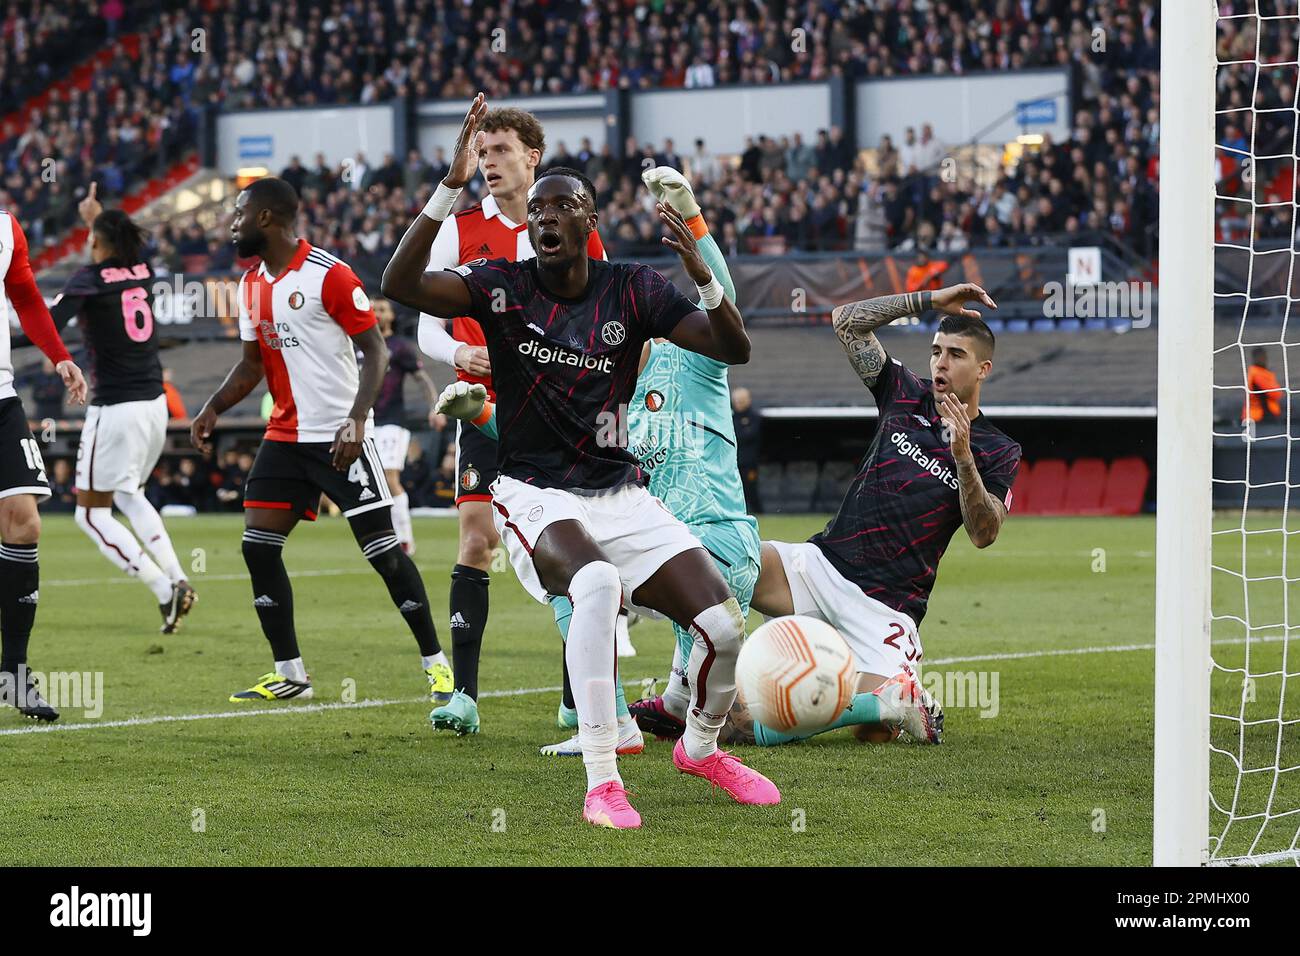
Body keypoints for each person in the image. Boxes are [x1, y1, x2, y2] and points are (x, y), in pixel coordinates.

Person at [384, 93, 780, 829]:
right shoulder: (500, 286)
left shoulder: (631, 288)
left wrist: (704, 278)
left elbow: (733, 349)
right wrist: (448, 185)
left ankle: (700, 748)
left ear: (587, 222)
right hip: (534, 491)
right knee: (595, 583)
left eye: (559, 207)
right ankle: (603, 780)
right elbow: (398, 286)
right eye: (535, 213)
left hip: (619, 492)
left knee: (723, 626)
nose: (542, 219)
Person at [190, 177, 452, 706]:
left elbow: (375, 352)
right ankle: (290, 672)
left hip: (340, 437)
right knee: (257, 547)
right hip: (285, 437)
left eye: (239, 213)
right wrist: (214, 407)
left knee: (384, 554)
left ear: (267, 218)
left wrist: (357, 420)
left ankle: (437, 665)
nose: (232, 223)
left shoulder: (328, 275)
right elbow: (250, 365)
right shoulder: (249, 285)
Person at [724, 284, 1021, 747]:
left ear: (983, 369)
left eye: (956, 355)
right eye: (936, 351)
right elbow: (846, 320)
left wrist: (964, 458)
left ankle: (887, 701)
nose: (941, 363)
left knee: (871, 733)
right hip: (823, 566)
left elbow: (985, 533)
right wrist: (928, 300)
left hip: (888, 607)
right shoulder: (903, 391)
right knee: (724, 566)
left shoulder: (998, 450)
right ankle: (685, 695)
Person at [414, 104, 624, 737]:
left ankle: (573, 697)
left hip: (560, 413)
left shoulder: (573, 227)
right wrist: (458, 352)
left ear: (533, 156)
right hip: (483, 408)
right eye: (482, 153)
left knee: (573, 547)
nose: (488, 163)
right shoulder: (459, 228)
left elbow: (604, 309)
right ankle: (466, 697)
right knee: (476, 537)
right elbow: (424, 318)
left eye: (500, 150)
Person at [51, 184, 196, 632]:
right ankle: (178, 576)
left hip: (115, 409)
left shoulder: (88, 279)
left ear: (95, 242)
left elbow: (49, 325)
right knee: (130, 494)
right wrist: (96, 219)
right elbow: (118, 249)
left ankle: (162, 589)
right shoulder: (143, 268)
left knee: (90, 514)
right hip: (154, 405)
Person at [0, 208, 88, 721]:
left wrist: (59, 355)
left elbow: (27, 298)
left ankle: (13, 670)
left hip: (2, 399)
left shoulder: (8, 227)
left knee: (24, 521)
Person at [370, 297, 439, 554]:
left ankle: (405, 539)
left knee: (390, 478)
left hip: (392, 422)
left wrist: (434, 407)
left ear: (391, 316)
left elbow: (422, 379)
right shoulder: (360, 343)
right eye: (372, 308)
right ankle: (383, 538)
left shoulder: (399, 347)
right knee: (373, 483)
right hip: (364, 422)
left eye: (381, 309)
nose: (376, 313)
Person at [731, 386, 762, 514]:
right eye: (736, 401)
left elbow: (749, 435)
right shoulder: (729, 417)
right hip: (733, 462)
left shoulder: (754, 417)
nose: (738, 404)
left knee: (751, 490)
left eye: (741, 400)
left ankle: (759, 513)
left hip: (749, 463)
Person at [1244, 347, 1283, 425]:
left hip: (1261, 416)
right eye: (1260, 357)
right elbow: (1276, 393)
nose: (1263, 359)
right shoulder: (1257, 374)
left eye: (1263, 357)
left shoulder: (1261, 372)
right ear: (1254, 359)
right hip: (1259, 417)